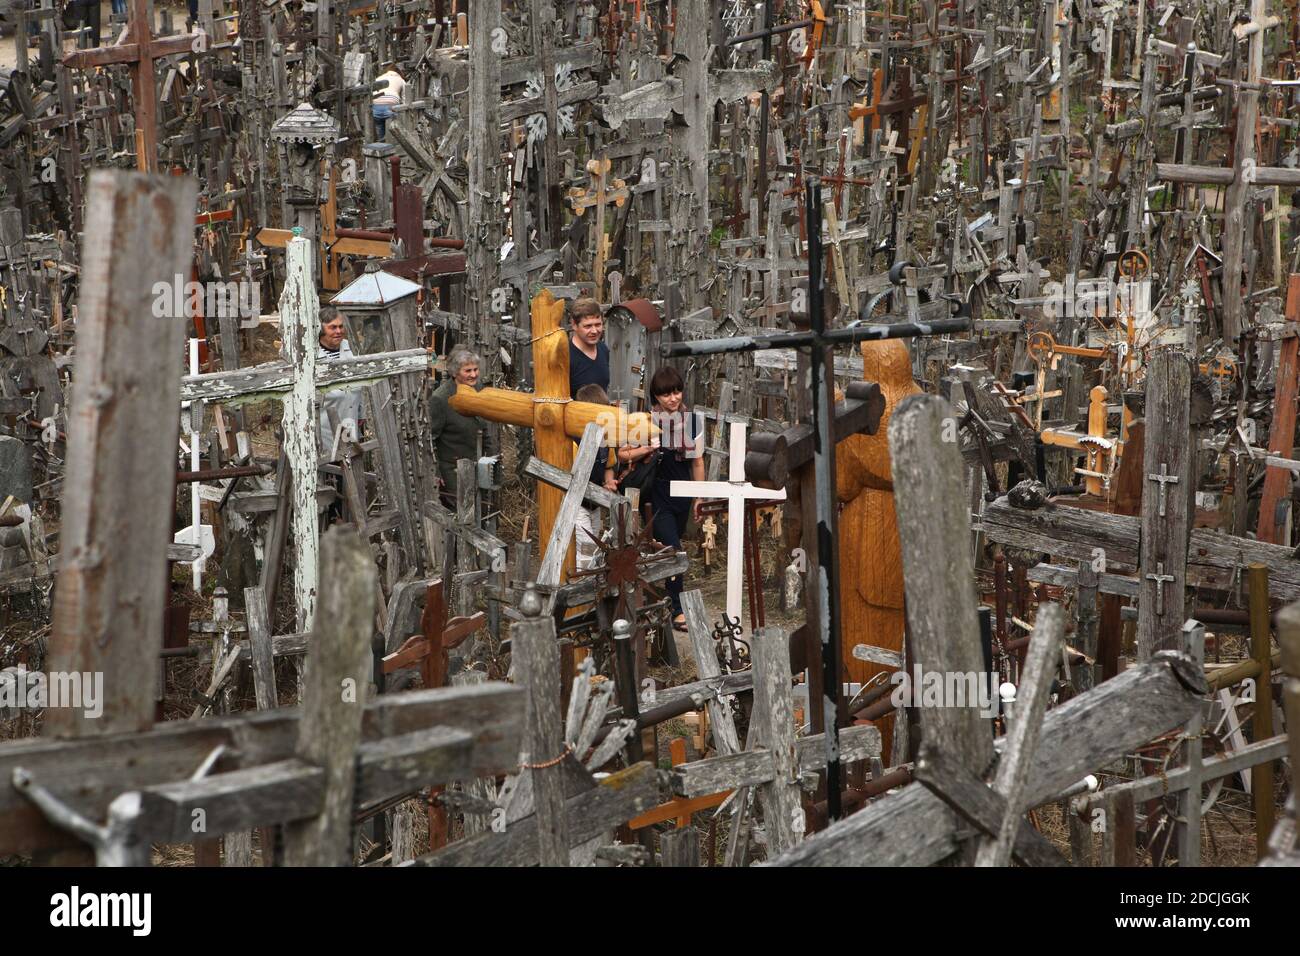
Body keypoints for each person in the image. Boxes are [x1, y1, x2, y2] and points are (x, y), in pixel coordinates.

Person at [641, 366, 704, 632]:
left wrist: (699, 497)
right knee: (674, 551)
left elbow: (698, 462)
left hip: (682, 494)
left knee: (666, 551)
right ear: (655, 396)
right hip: (657, 493)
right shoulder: (646, 422)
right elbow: (628, 455)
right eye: (666, 394)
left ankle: (660, 599)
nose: (673, 398)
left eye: (676, 391)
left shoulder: (692, 421)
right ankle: (678, 610)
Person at [429, 347, 497, 505]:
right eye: (468, 371)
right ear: (454, 372)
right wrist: (436, 472)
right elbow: (430, 439)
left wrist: (491, 459)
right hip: (454, 472)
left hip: (479, 466)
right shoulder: (440, 399)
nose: (473, 375)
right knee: (461, 514)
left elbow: (483, 428)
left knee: (482, 508)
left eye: (475, 369)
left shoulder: (478, 390)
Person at [573, 383, 620, 570]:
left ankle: (592, 587)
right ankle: (581, 588)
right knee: (586, 550)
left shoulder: (605, 440)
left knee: (596, 545)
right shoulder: (574, 442)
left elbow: (609, 466)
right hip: (577, 506)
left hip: (595, 504)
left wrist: (609, 482)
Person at [317, 308, 364, 458]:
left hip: (351, 421)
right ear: (320, 329)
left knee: (351, 460)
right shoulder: (314, 356)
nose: (338, 331)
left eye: (340, 326)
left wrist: (361, 413)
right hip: (325, 429)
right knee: (332, 465)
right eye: (332, 327)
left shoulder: (349, 348)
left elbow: (359, 381)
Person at [372, 65, 405, 141]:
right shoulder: (400, 80)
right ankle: (392, 146)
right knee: (393, 130)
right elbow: (405, 99)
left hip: (376, 108)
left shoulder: (378, 78)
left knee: (380, 128)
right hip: (391, 107)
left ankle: (381, 146)